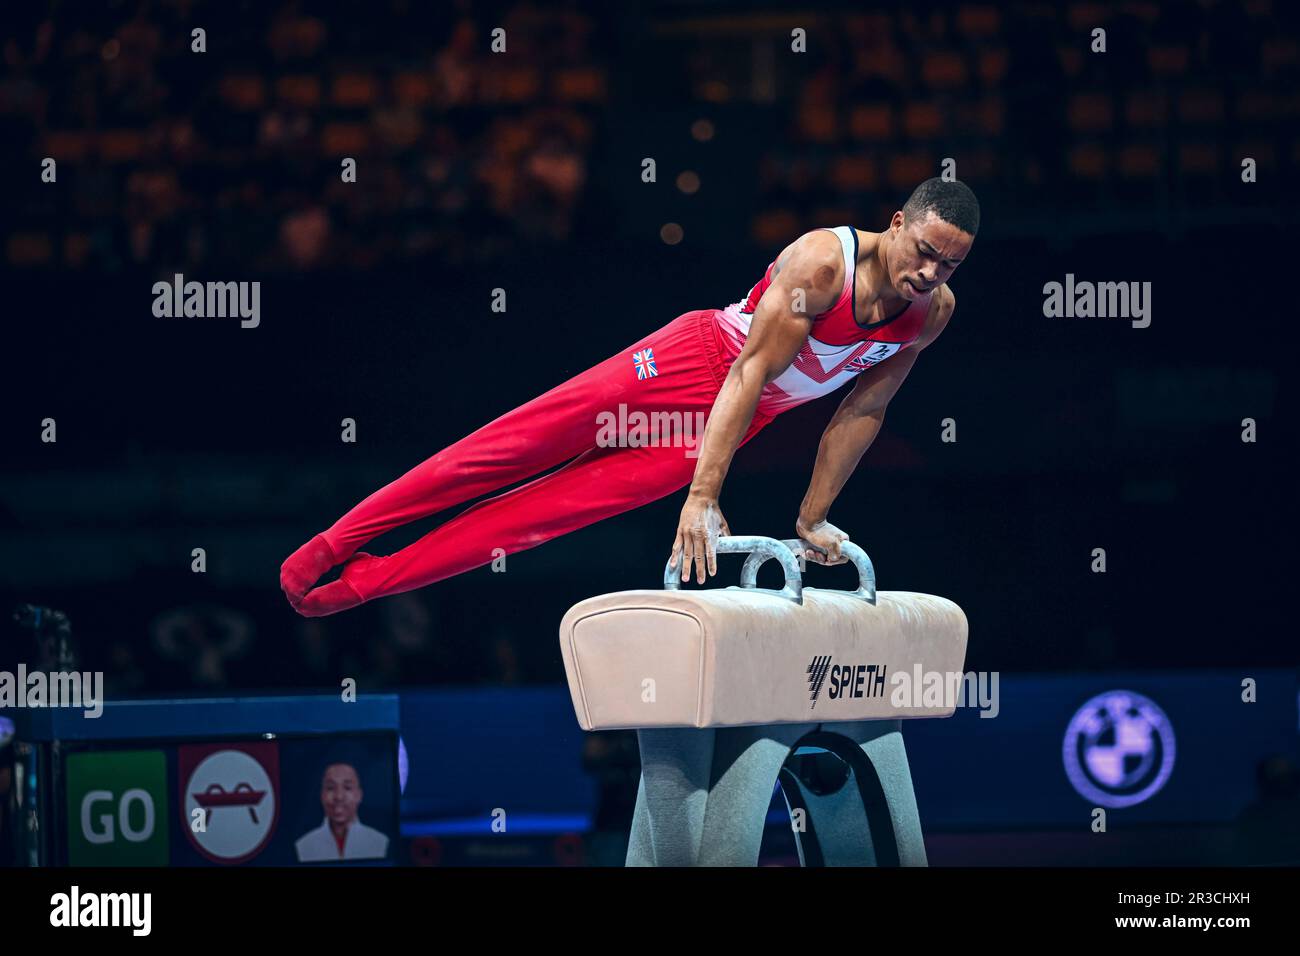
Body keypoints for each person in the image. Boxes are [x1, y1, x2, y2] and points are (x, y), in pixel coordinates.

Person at [281, 178, 977, 616]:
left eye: (948, 263)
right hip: (687, 365)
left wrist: (812, 517)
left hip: (727, 425)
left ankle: (363, 585)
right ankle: (331, 545)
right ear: (896, 221)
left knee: (543, 515)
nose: (929, 270)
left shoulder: (933, 314)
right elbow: (748, 373)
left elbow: (864, 409)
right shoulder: (822, 264)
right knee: (501, 454)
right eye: (923, 249)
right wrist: (703, 498)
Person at [294, 762, 390, 862]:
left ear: (359, 795)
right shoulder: (305, 844)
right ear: (322, 795)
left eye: (347, 787)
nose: (339, 797)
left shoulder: (378, 841)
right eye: (330, 788)